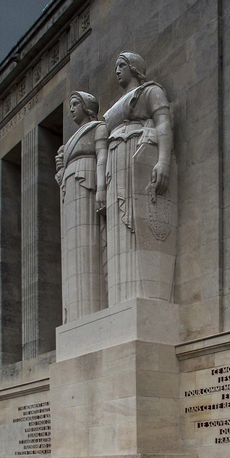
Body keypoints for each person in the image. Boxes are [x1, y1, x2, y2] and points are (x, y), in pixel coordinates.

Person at [103, 52, 177, 304]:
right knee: (120, 231)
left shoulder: (150, 91)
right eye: (116, 66)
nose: (117, 71)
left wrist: (163, 160)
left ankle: (143, 296)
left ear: (134, 68)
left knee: (136, 223)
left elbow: (163, 122)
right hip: (116, 163)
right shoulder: (112, 111)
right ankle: (122, 300)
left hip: (137, 157)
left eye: (122, 65)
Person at [55, 91, 109, 322]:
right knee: (73, 254)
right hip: (71, 192)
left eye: (75, 104)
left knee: (89, 246)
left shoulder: (98, 128)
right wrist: (61, 169)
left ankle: (91, 313)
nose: (71, 109)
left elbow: (102, 158)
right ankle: (75, 317)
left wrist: (101, 189)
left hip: (87, 183)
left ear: (87, 107)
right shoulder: (67, 145)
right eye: (71, 105)